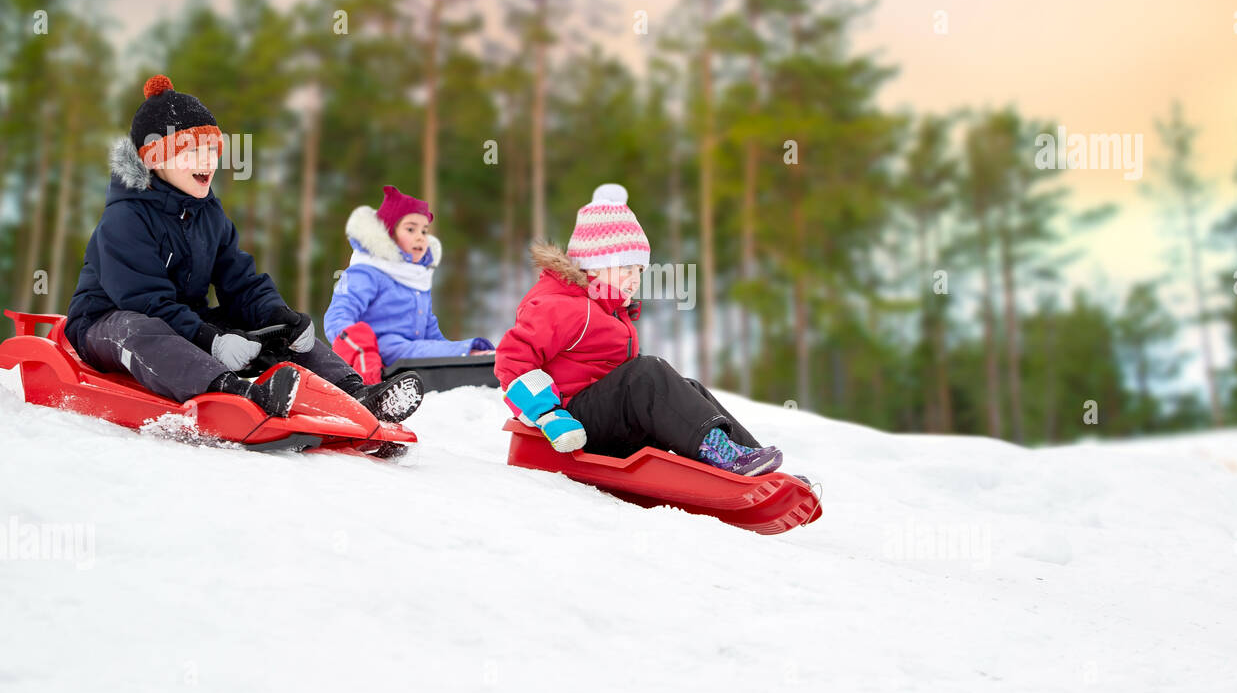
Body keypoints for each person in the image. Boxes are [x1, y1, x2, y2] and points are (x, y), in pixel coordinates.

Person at [64, 75, 425, 423]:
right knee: (140, 328)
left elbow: (239, 281)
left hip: (184, 322)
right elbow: (144, 301)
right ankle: (237, 396)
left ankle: (358, 394)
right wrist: (211, 340)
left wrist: (277, 316)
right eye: (191, 151)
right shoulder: (125, 218)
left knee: (274, 328)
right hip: (106, 322)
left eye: (211, 149)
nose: (207, 161)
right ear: (155, 159)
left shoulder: (208, 212)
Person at [495, 183, 783, 475]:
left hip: (606, 424)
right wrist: (547, 414)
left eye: (639, 271)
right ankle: (722, 455)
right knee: (647, 374)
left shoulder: (609, 312)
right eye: (626, 268)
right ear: (593, 266)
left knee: (688, 387)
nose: (635, 279)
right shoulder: (561, 305)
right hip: (569, 427)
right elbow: (512, 361)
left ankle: (751, 459)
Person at [323, 185, 495, 375]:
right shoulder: (365, 273)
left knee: (428, 348)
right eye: (411, 229)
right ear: (389, 233)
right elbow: (337, 317)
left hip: (413, 351)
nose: (420, 238)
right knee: (413, 349)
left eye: (424, 231)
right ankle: (472, 358)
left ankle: (474, 361)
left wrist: (452, 352)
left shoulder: (416, 279)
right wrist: (357, 347)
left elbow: (431, 333)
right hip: (380, 352)